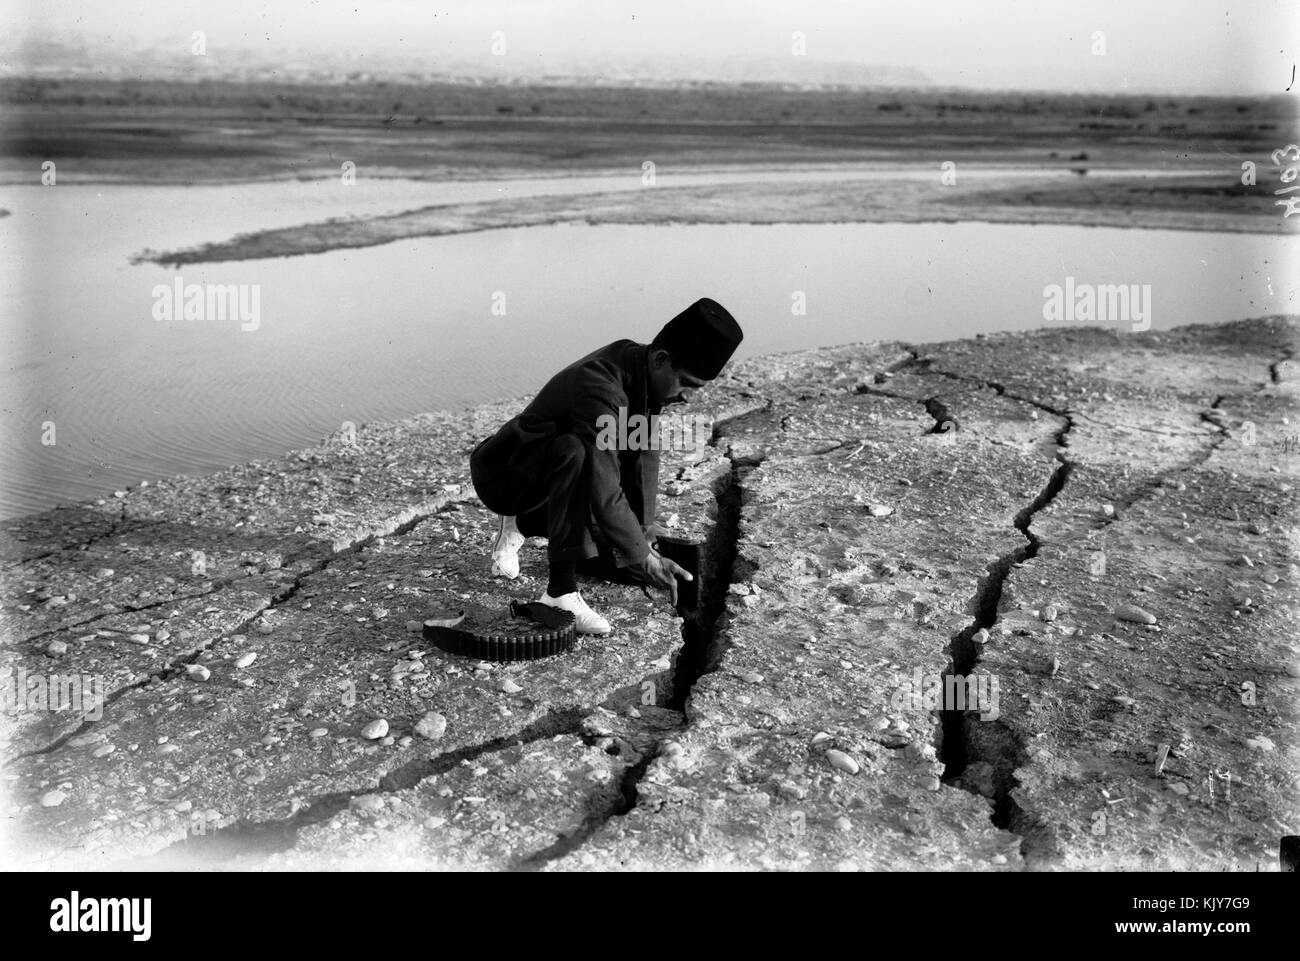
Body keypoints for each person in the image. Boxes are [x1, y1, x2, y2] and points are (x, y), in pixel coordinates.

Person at [468, 297, 743, 635]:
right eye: (687, 383)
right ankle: (560, 592)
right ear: (661, 359)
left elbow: (645, 458)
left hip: (549, 476)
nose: (689, 397)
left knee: (628, 561)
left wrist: (643, 538)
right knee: (576, 453)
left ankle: (524, 523)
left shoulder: (644, 374)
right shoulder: (601, 386)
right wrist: (641, 554)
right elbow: (603, 479)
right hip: (507, 475)